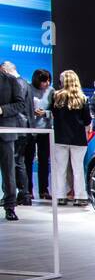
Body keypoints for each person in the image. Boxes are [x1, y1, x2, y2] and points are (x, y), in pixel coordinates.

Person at [51, 70, 92, 207]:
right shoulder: (83, 98)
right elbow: (87, 120)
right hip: (78, 138)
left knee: (60, 168)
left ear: (63, 81)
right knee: (78, 168)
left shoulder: (56, 97)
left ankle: (60, 196)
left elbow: (53, 115)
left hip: (60, 137)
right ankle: (80, 196)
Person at [1, 61, 35, 208]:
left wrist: (2, 110)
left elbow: (20, 104)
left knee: (9, 172)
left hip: (6, 133)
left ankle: (10, 206)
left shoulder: (10, 81)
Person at [26, 69, 52, 200]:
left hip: (45, 130)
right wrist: (32, 112)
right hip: (29, 129)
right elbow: (21, 107)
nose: (46, 83)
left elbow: (55, 111)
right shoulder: (27, 89)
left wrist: (45, 113)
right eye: (44, 81)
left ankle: (44, 190)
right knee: (28, 160)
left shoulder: (51, 91)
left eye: (48, 80)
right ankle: (28, 190)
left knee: (44, 161)